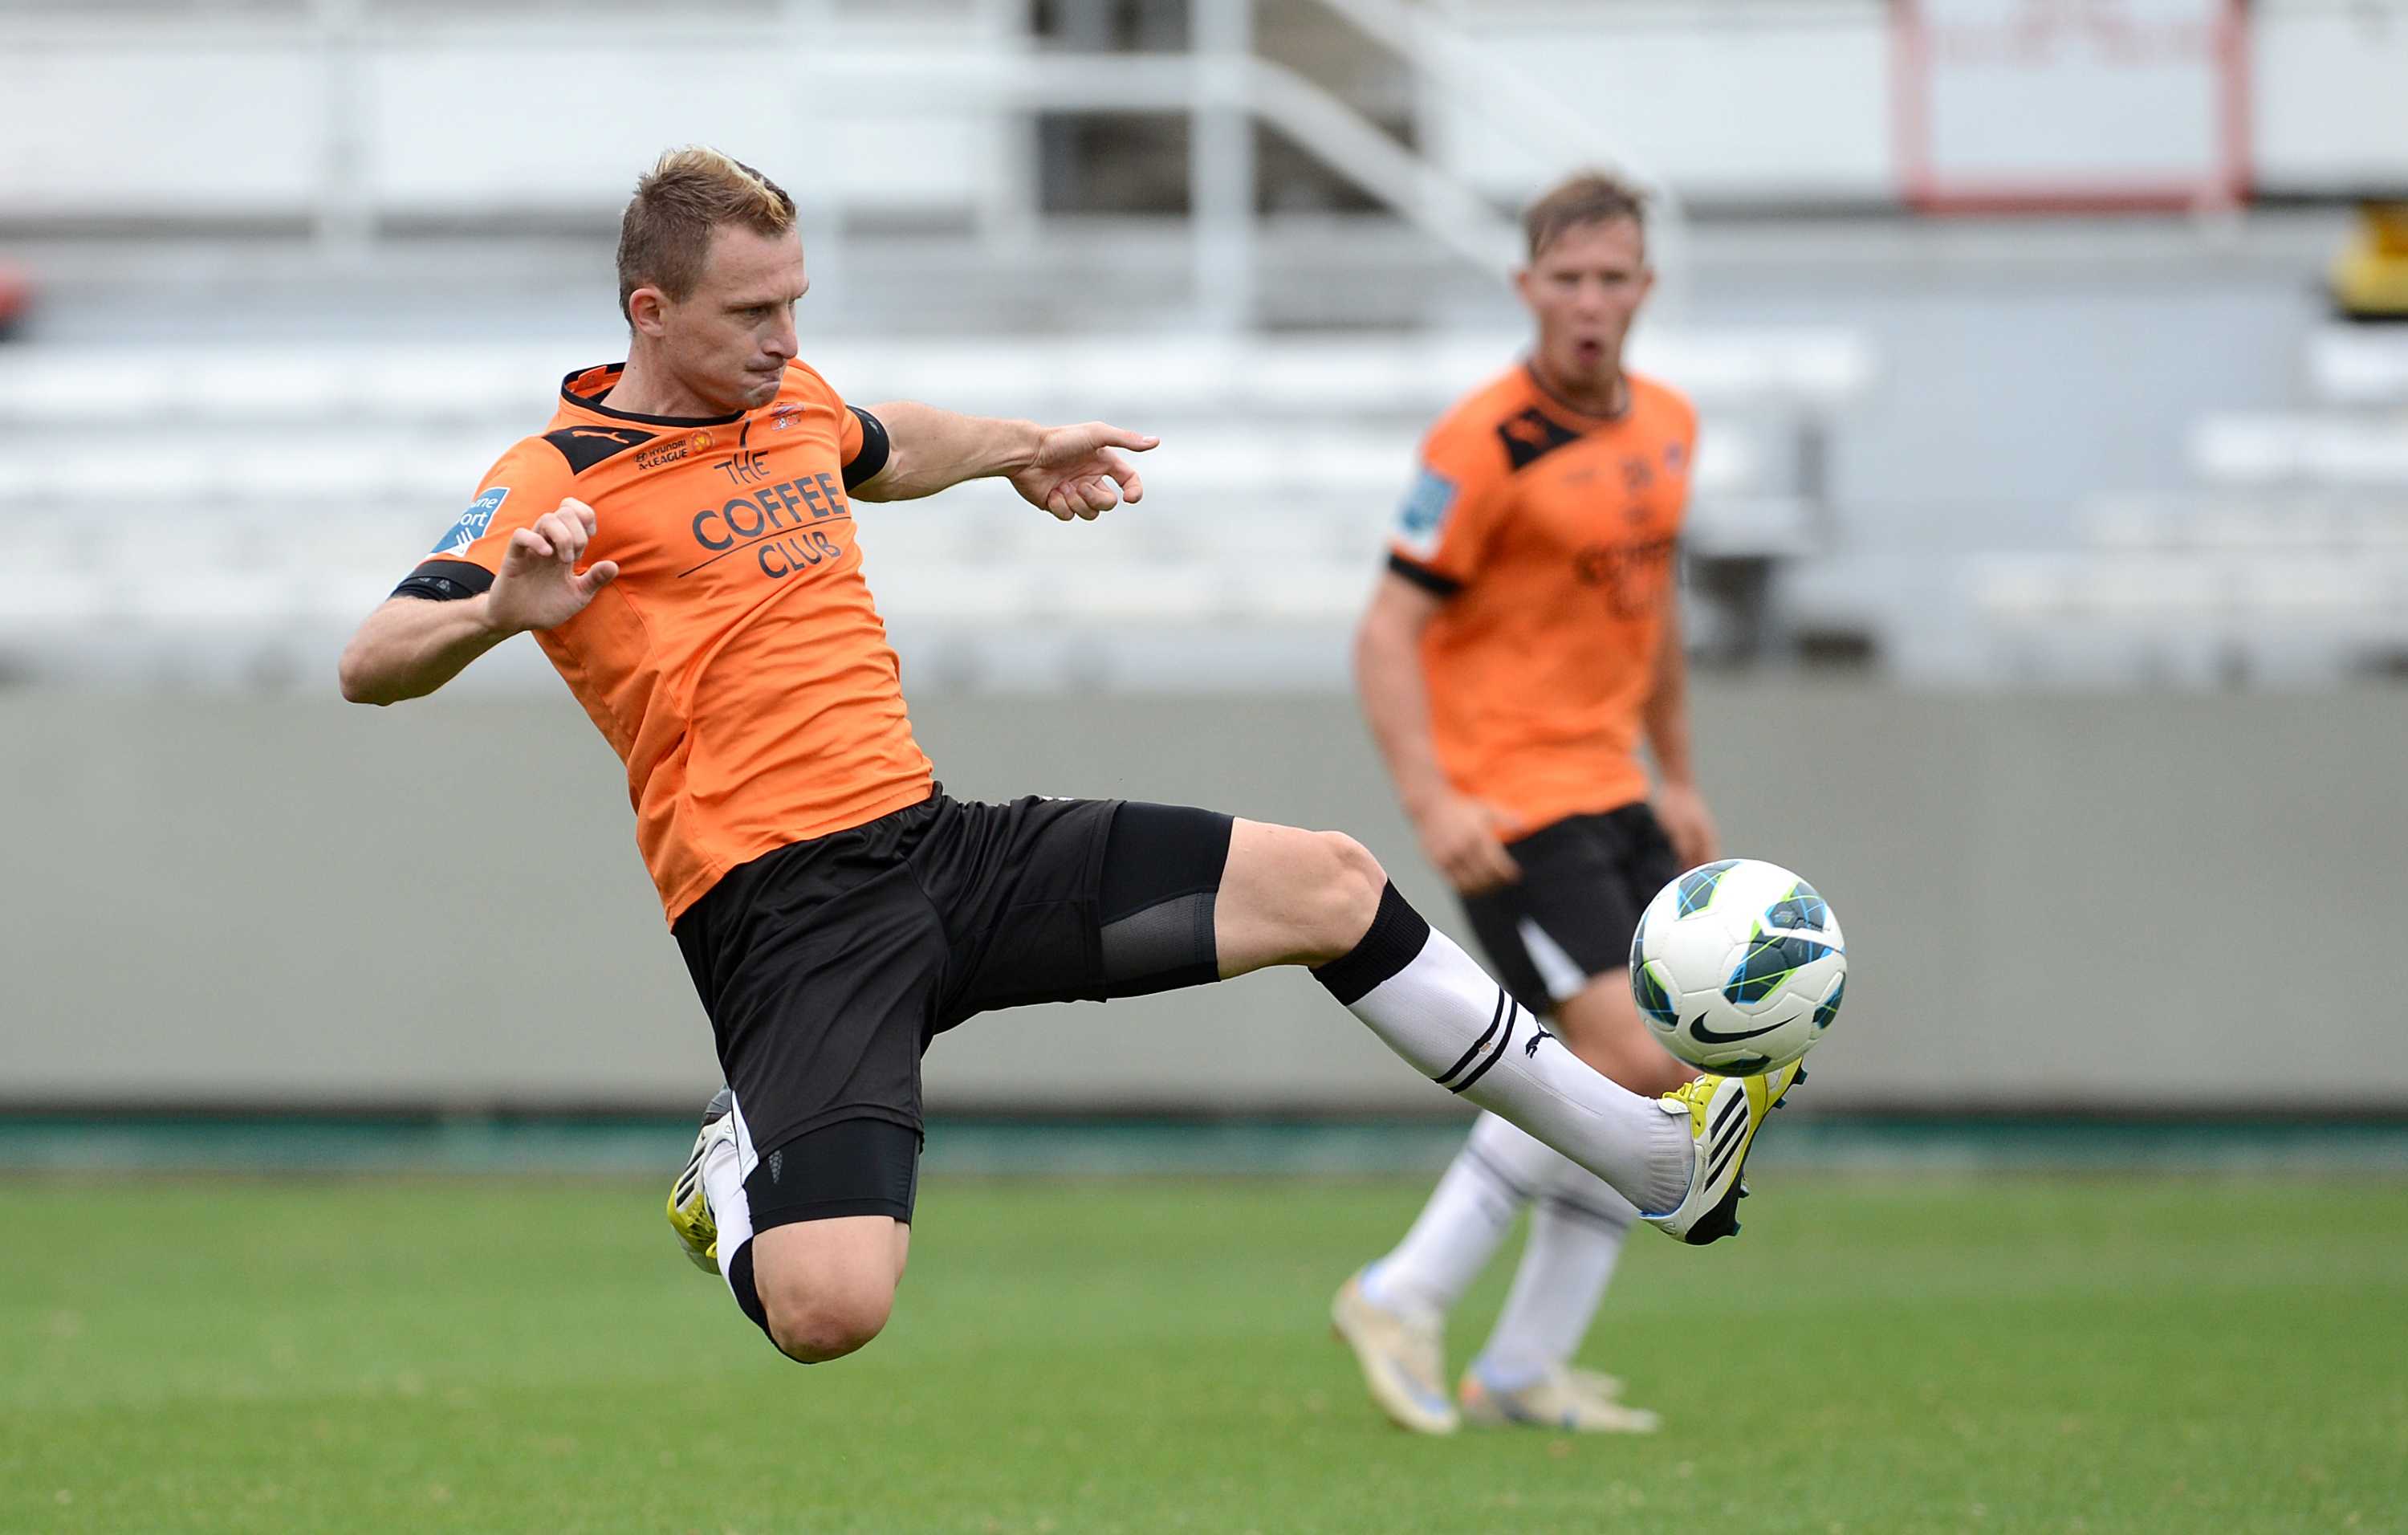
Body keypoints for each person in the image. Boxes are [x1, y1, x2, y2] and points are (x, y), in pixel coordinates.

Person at [338, 148, 1798, 1370]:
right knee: (830, 1314)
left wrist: (1021, 447)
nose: (784, 338)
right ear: (651, 313)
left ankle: (1648, 1155)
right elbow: (374, 655)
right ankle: (732, 1181)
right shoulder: (559, 475)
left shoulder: (782, 394)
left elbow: (874, 439)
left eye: (796, 303)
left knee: (1330, 885)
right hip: (787, 917)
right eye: (750, 313)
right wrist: (499, 612)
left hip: (943, 850)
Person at [1331, 172, 1732, 1435]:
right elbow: (1386, 635)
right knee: (1639, 1067)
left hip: (1618, 794)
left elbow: (1649, 610)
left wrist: (1678, 774)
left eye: (1613, 279)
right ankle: (1403, 1291)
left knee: (1658, 1087)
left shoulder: (1667, 423)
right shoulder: (1479, 444)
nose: (1591, 302)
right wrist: (1432, 800)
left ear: (1646, 291)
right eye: (1567, 279)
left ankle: (1517, 1371)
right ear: (1527, 288)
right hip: (1516, 806)